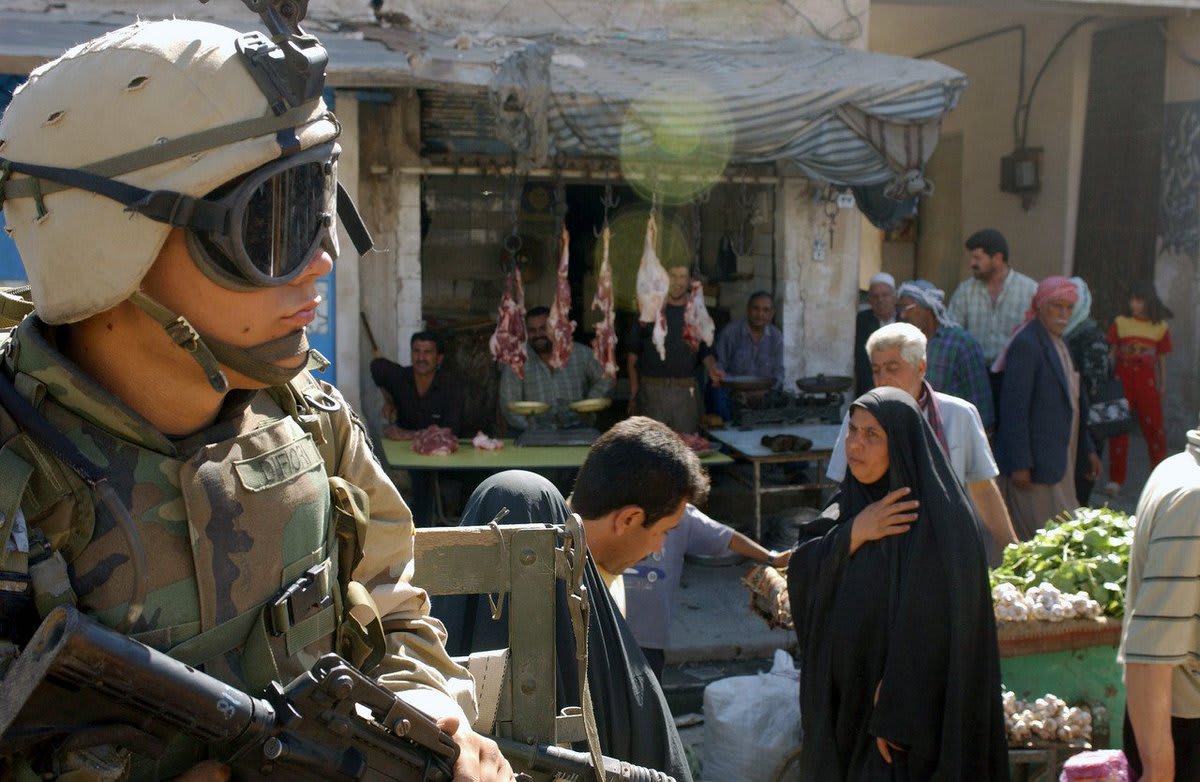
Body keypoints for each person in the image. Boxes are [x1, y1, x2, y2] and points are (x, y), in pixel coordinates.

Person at [0, 19, 511, 782]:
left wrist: (429, 720)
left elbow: (394, 609)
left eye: (318, 203)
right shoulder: (18, 473)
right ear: (110, 247)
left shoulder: (312, 422)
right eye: (269, 222)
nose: (322, 260)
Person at [434, 416, 709, 782]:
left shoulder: (608, 586)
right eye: (663, 533)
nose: (660, 547)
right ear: (629, 518)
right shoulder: (585, 583)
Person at [786, 388, 1009, 780]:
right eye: (853, 431)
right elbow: (804, 569)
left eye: (873, 435)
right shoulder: (848, 507)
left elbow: (949, 626)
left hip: (903, 727)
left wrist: (900, 701)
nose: (856, 445)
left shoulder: (943, 525)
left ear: (902, 443)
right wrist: (854, 533)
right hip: (845, 710)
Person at [827, 323, 1018, 559]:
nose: (882, 379)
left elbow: (983, 489)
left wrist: (1014, 550)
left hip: (947, 549)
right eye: (876, 370)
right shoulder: (860, 417)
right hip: (881, 552)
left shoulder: (959, 415)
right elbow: (841, 489)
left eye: (892, 368)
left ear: (921, 367)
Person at [1119, 414, 1200, 782]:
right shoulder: (1194, 499)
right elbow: (1148, 654)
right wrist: (1159, 770)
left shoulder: (1178, 465)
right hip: (1183, 734)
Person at [624, 504, 792, 680]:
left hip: (649, 641)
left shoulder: (680, 513)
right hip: (605, 633)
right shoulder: (612, 509)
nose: (657, 546)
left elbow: (727, 537)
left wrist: (772, 558)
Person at [993, 277, 1101, 540]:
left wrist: (1088, 449)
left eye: (1068, 308)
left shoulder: (1060, 344)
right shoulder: (1028, 344)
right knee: (1040, 539)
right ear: (1041, 306)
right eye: (1057, 306)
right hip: (1034, 468)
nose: (1063, 314)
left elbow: (1073, 404)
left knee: (1059, 534)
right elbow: (1014, 409)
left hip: (1059, 460)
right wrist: (1020, 464)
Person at [947, 228, 1038, 415]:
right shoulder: (965, 292)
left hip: (1015, 375)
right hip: (975, 376)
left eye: (978, 258)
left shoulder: (1029, 290)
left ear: (997, 258)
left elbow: (1037, 335)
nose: (972, 263)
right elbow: (952, 333)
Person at [627, 264, 719, 434]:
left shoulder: (698, 312)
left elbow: (707, 352)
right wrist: (634, 391)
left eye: (682, 276)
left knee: (686, 450)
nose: (677, 282)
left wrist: (713, 369)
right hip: (651, 392)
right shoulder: (649, 310)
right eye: (673, 276)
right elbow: (633, 356)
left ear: (690, 281)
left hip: (686, 393)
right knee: (650, 450)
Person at [1105, 280, 1174, 497]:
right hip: (1122, 379)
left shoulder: (1160, 327)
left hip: (1147, 382)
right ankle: (1116, 480)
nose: (1135, 304)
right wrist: (1107, 381)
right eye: (1132, 299)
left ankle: (1160, 480)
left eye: (1139, 299)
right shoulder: (1121, 323)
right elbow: (1112, 353)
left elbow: (1161, 359)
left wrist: (1162, 385)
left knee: (1155, 430)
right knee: (1119, 429)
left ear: (1148, 300)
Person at [896, 279, 994, 431]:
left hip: (952, 437)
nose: (902, 314)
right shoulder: (903, 343)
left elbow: (981, 406)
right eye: (900, 308)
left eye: (906, 307)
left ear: (926, 308)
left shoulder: (961, 344)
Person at [498, 306, 613, 432]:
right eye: (532, 330)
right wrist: (529, 428)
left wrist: (589, 404)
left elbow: (606, 378)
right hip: (533, 433)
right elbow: (508, 402)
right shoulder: (517, 360)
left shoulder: (581, 353)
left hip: (578, 427)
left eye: (543, 329)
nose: (538, 335)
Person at [1062, 277, 1113, 505]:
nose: (1065, 311)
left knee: (1080, 487)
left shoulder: (1091, 337)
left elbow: (1095, 387)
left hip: (1087, 427)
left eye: (1071, 305)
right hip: (1067, 423)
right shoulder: (1062, 334)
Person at [370, 330, 464, 438]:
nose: (420, 358)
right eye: (416, 351)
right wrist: (389, 400)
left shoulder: (451, 386)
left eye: (427, 352)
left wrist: (408, 435)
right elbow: (376, 366)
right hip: (402, 450)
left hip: (438, 450)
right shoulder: (401, 377)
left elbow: (451, 432)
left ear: (439, 358)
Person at [709, 290, 784, 420]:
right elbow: (719, 366)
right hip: (734, 393)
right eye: (756, 309)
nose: (760, 314)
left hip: (764, 395)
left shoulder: (776, 337)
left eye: (766, 310)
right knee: (716, 395)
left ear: (772, 314)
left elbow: (779, 372)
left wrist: (765, 392)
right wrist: (738, 390)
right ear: (748, 310)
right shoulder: (730, 333)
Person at [854, 272, 898, 396]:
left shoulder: (905, 318)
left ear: (894, 297)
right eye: (875, 296)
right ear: (870, 300)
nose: (880, 300)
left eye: (885, 295)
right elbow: (862, 361)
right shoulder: (862, 321)